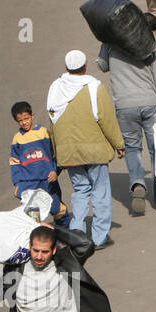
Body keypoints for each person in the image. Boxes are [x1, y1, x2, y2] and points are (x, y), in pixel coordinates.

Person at [97, 13, 156, 215]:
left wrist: (105, 42)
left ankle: (137, 182)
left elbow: (102, 65)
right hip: (150, 103)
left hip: (124, 106)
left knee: (132, 148)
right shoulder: (149, 44)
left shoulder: (112, 42)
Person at [46, 50, 124, 249]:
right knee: (100, 192)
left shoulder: (55, 88)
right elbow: (106, 120)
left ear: (67, 68)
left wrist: (57, 152)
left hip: (68, 153)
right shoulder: (94, 87)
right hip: (94, 150)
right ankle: (99, 238)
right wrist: (118, 144)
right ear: (85, 66)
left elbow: (52, 122)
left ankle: (77, 232)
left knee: (80, 190)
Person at [10, 101, 63, 218]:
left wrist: (55, 171)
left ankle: (64, 231)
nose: (24, 122)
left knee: (58, 210)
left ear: (32, 116)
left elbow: (55, 154)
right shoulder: (17, 139)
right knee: (34, 215)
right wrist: (17, 182)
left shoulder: (43, 132)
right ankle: (37, 233)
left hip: (48, 179)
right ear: (16, 121)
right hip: (30, 184)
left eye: (26, 118)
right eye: (20, 120)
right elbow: (15, 163)